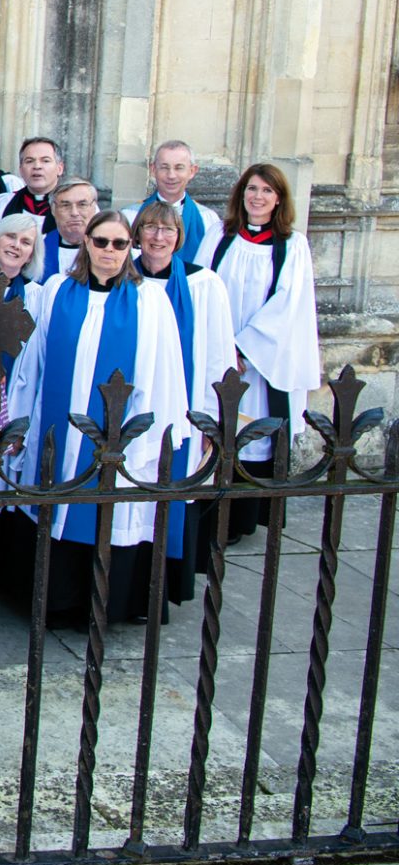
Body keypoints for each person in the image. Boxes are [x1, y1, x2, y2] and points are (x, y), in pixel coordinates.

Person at [5, 210, 192, 623]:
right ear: (86, 242)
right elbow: (32, 363)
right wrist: (18, 421)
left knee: (112, 509)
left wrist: (153, 436)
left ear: (132, 248)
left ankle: (109, 604)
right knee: (58, 502)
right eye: (101, 241)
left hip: (120, 434)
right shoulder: (55, 290)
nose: (110, 251)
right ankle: (58, 602)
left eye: (120, 244)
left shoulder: (151, 300)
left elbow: (166, 371)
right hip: (60, 430)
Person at [131, 200, 237, 608]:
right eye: (151, 229)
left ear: (180, 237)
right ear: (138, 233)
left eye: (168, 230)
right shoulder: (124, 279)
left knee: (177, 487)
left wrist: (210, 417)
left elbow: (216, 353)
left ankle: (166, 582)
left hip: (186, 402)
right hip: (137, 400)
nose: (159, 237)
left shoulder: (202, 284)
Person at [207, 162, 321, 541]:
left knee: (255, 431)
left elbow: (288, 304)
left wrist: (242, 348)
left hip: (261, 361)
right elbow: (202, 289)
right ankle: (212, 515)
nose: (257, 197)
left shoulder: (292, 245)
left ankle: (243, 519)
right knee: (217, 427)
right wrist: (220, 346)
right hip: (218, 355)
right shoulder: (219, 237)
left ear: (279, 199)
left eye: (267, 191)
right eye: (252, 189)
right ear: (241, 193)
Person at [124, 140, 225, 265]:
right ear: (153, 169)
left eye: (179, 168)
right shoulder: (131, 216)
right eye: (165, 167)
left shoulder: (208, 219)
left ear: (192, 171)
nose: (171, 175)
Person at [0, 136, 66, 229]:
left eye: (45, 160)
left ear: (60, 168)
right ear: (21, 170)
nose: (37, 166)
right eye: (29, 161)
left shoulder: (72, 209)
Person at [0, 212, 47, 316]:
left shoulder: (38, 297)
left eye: (25, 242)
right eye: (11, 236)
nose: (16, 245)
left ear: (31, 256)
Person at [36, 178, 99, 280]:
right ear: (53, 210)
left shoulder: (112, 248)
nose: (74, 213)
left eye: (82, 204)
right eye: (65, 205)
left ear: (94, 208)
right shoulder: (36, 249)